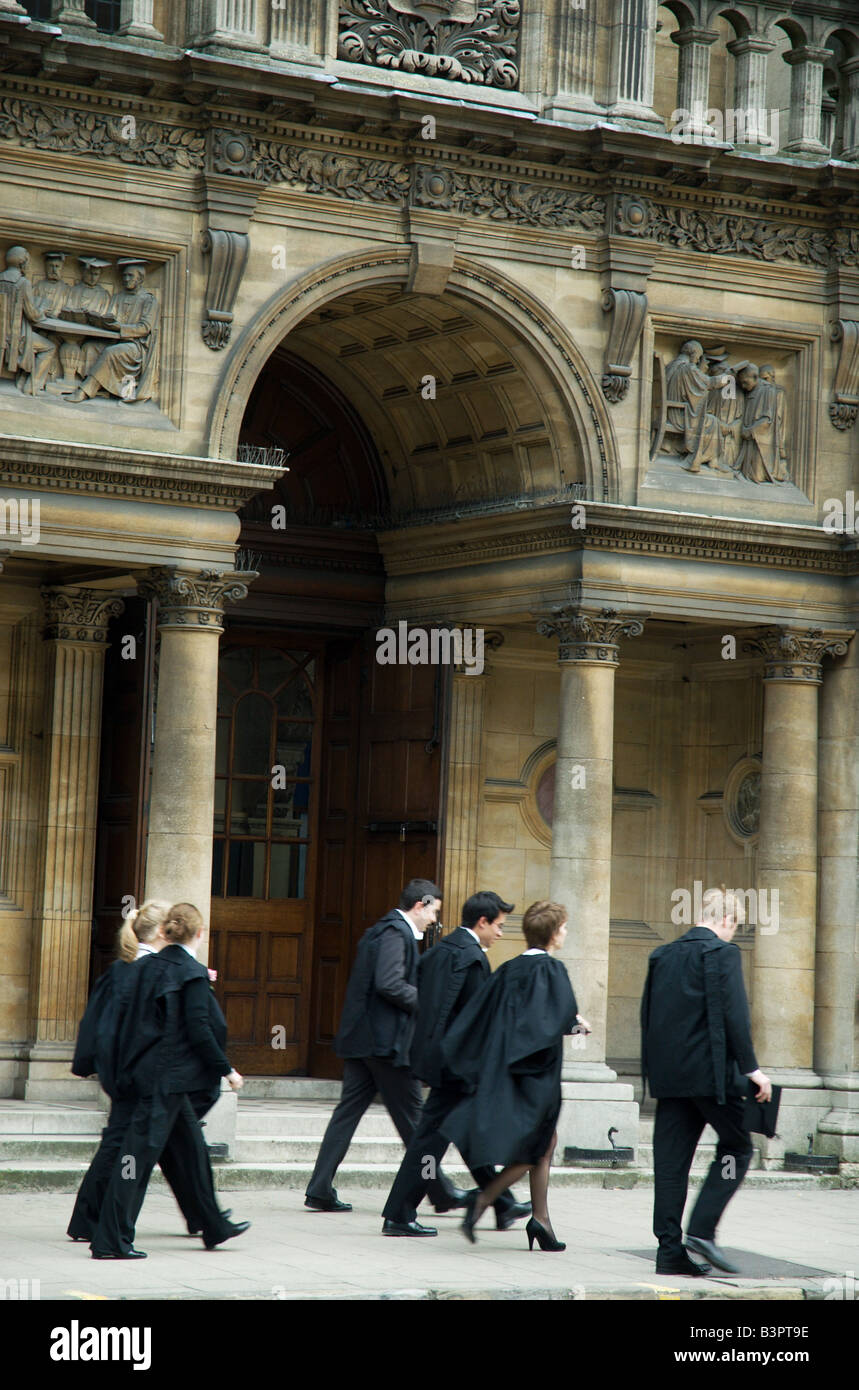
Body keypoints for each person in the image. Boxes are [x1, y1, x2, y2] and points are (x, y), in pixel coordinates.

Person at [88, 903, 250, 1259]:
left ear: (167, 930)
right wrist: (228, 1070)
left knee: (192, 1155)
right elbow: (200, 1030)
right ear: (200, 933)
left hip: (151, 1077)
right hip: (166, 1083)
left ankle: (214, 1224)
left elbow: (127, 1025)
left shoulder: (146, 968)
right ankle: (110, 1240)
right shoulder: (191, 974)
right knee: (135, 1161)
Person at [304, 878, 468, 1216]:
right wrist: (431, 1006)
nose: (435, 920)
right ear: (420, 905)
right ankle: (440, 1190)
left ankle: (319, 1188)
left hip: (363, 1042)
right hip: (385, 1046)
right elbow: (390, 984)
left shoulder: (381, 930)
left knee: (347, 1115)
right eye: (434, 911)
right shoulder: (396, 933)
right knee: (418, 1125)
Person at [381, 890, 532, 1237]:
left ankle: (502, 1202)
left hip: (437, 1059)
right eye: (499, 925)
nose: (501, 933)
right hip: (458, 1067)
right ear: (482, 922)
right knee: (428, 1143)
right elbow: (477, 1019)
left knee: (463, 1132)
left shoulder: (439, 952)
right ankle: (399, 1215)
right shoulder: (473, 959)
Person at [440, 900, 587, 1250]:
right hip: (537, 1075)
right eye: (564, 928)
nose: (565, 933)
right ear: (553, 934)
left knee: (543, 1143)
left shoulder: (508, 969)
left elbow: (486, 1016)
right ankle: (484, 1199)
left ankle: (541, 1221)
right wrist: (575, 1025)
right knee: (537, 1146)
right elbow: (551, 1018)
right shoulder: (552, 971)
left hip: (507, 1072)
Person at [640, 887, 772, 1276]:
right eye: (735, 926)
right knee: (736, 1150)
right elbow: (736, 1016)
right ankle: (702, 1228)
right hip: (712, 1080)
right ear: (727, 920)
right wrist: (752, 1070)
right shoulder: (723, 953)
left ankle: (668, 1252)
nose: (733, 934)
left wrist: (654, 1074)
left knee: (671, 1166)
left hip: (670, 1082)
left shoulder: (661, 955)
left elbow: (648, 1018)